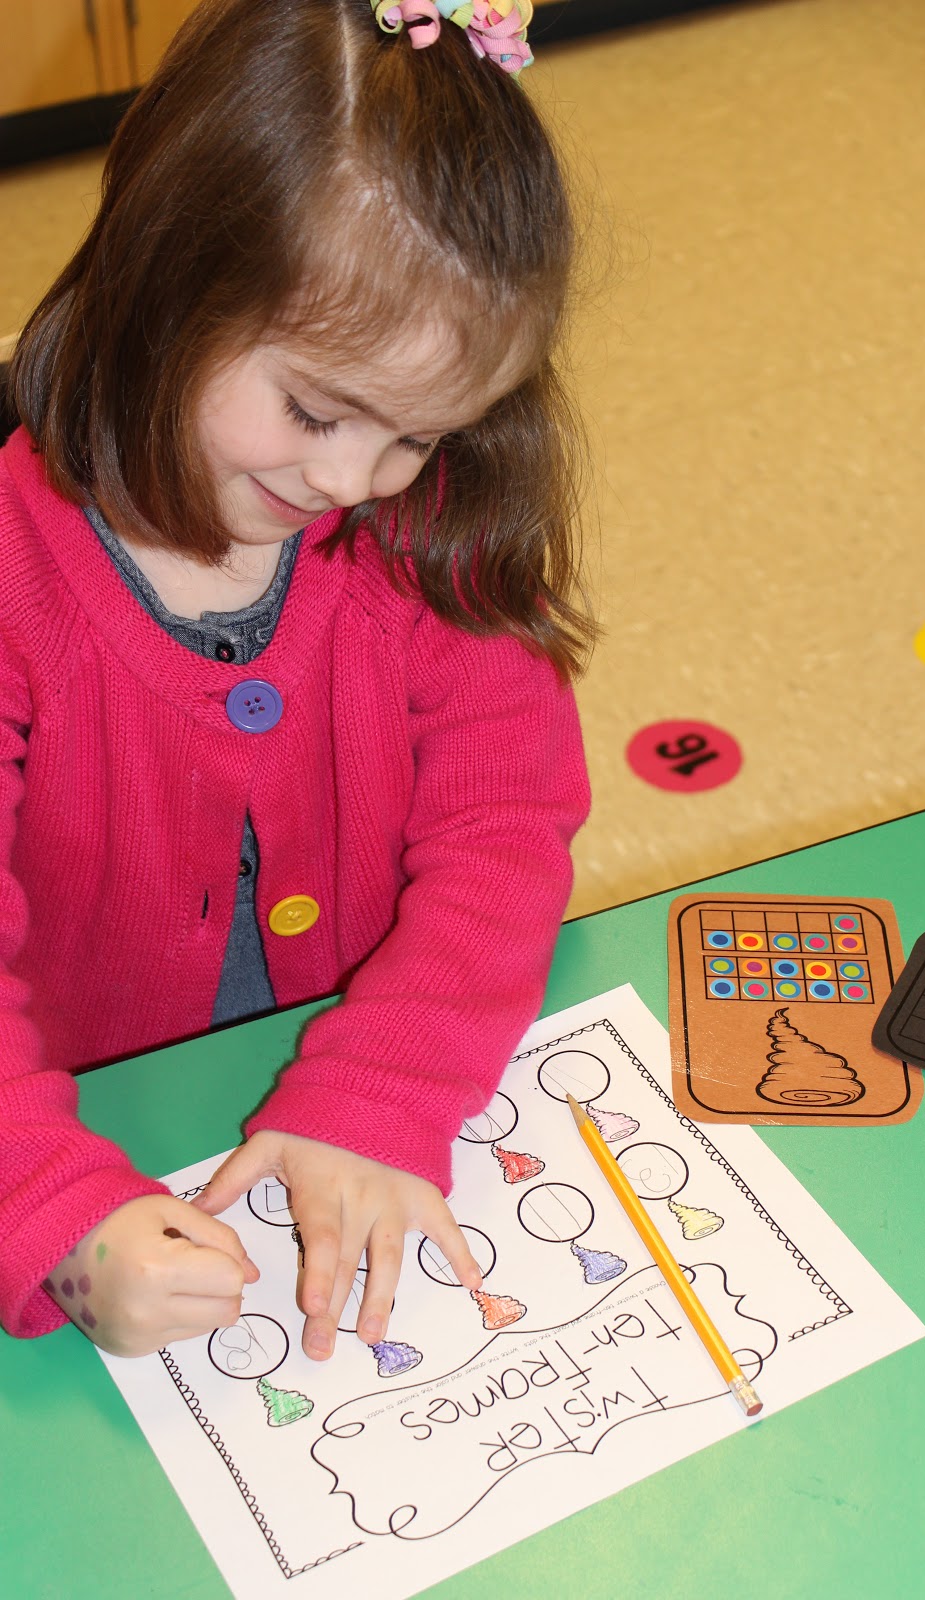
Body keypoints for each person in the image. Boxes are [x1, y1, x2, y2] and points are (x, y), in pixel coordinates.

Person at [0, 0, 592, 1364]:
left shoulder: (424, 517)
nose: (349, 480)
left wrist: (388, 1079)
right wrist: (51, 1217)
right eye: (318, 410)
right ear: (162, 282)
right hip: (79, 1105)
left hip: (352, 1055)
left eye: (417, 432)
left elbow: (505, 824)